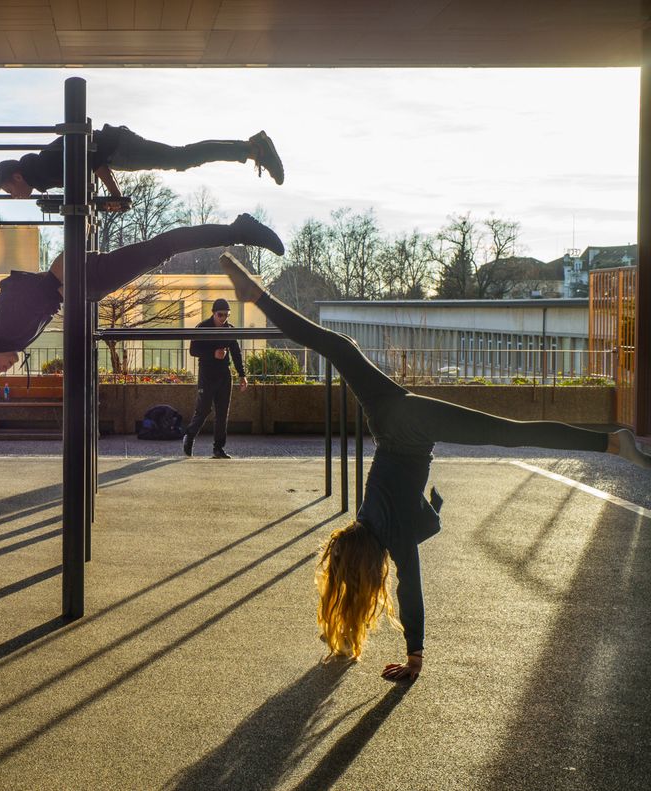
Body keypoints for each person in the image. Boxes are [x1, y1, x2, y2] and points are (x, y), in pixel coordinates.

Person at [219, 251, 651, 682]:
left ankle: (611, 442)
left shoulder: (395, 539)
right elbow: (377, 579)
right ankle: (257, 296)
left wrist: (415, 657)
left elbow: (411, 590)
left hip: (408, 428)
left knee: (509, 431)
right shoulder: (368, 521)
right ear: (353, 545)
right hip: (387, 419)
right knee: (337, 347)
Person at [0, 213, 285, 383]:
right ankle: (236, 231)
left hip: (83, 278)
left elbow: (18, 284)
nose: (5, 368)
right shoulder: (14, 338)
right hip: (86, 283)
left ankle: (237, 230)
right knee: (161, 250)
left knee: (164, 247)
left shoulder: (7, 327)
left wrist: (71, 268)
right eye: (0, 373)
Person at [0, 125, 284, 200]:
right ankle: (251, 149)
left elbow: (93, 161)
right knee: (180, 158)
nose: (13, 195)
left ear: (17, 177)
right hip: (119, 149)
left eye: (9, 190)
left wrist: (116, 196)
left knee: (181, 157)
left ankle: (252, 148)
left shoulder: (40, 168)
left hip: (119, 149)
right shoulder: (40, 172)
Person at [183, 297, 249, 459]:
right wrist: (213, 354)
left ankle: (218, 448)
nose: (223, 318)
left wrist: (242, 375)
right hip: (207, 372)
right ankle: (189, 436)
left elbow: (236, 353)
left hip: (224, 374)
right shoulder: (202, 327)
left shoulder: (230, 329)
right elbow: (193, 350)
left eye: (226, 315)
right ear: (213, 313)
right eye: (220, 315)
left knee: (222, 413)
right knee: (204, 409)